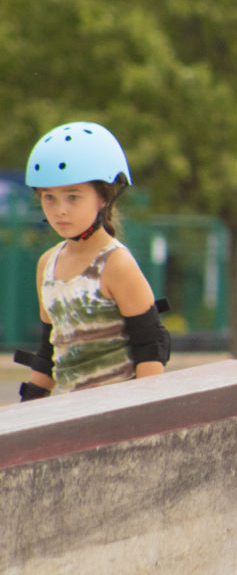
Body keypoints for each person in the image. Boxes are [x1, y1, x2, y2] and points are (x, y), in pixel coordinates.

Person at [14, 122, 171, 400]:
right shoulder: (47, 264)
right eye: (49, 198)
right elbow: (49, 350)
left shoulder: (116, 264)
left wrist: (147, 420)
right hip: (70, 413)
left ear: (103, 198)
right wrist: (30, 404)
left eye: (73, 197)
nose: (60, 210)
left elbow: (150, 348)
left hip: (118, 413)